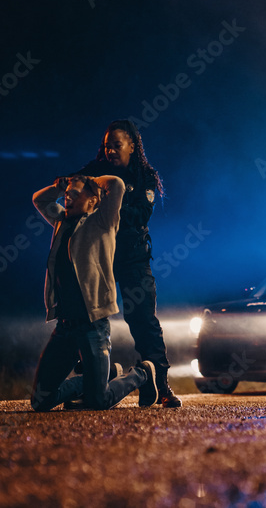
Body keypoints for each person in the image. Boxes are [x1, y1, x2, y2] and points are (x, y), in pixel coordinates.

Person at [73, 120, 181, 408]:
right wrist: (67, 184)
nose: (110, 151)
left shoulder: (145, 176)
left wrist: (107, 205)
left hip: (133, 258)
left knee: (143, 322)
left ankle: (159, 386)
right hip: (99, 260)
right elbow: (72, 189)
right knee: (90, 321)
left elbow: (140, 215)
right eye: (106, 145)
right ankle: (95, 381)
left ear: (132, 146)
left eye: (116, 145)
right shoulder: (95, 171)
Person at [29, 173, 158, 411]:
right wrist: (61, 186)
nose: (68, 199)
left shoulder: (103, 222)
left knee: (98, 402)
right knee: (40, 402)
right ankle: (102, 377)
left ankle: (141, 374)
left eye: (75, 195)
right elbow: (39, 200)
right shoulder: (61, 221)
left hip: (92, 325)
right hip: (65, 327)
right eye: (67, 196)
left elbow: (117, 184)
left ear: (92, 201)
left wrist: (90, 179)